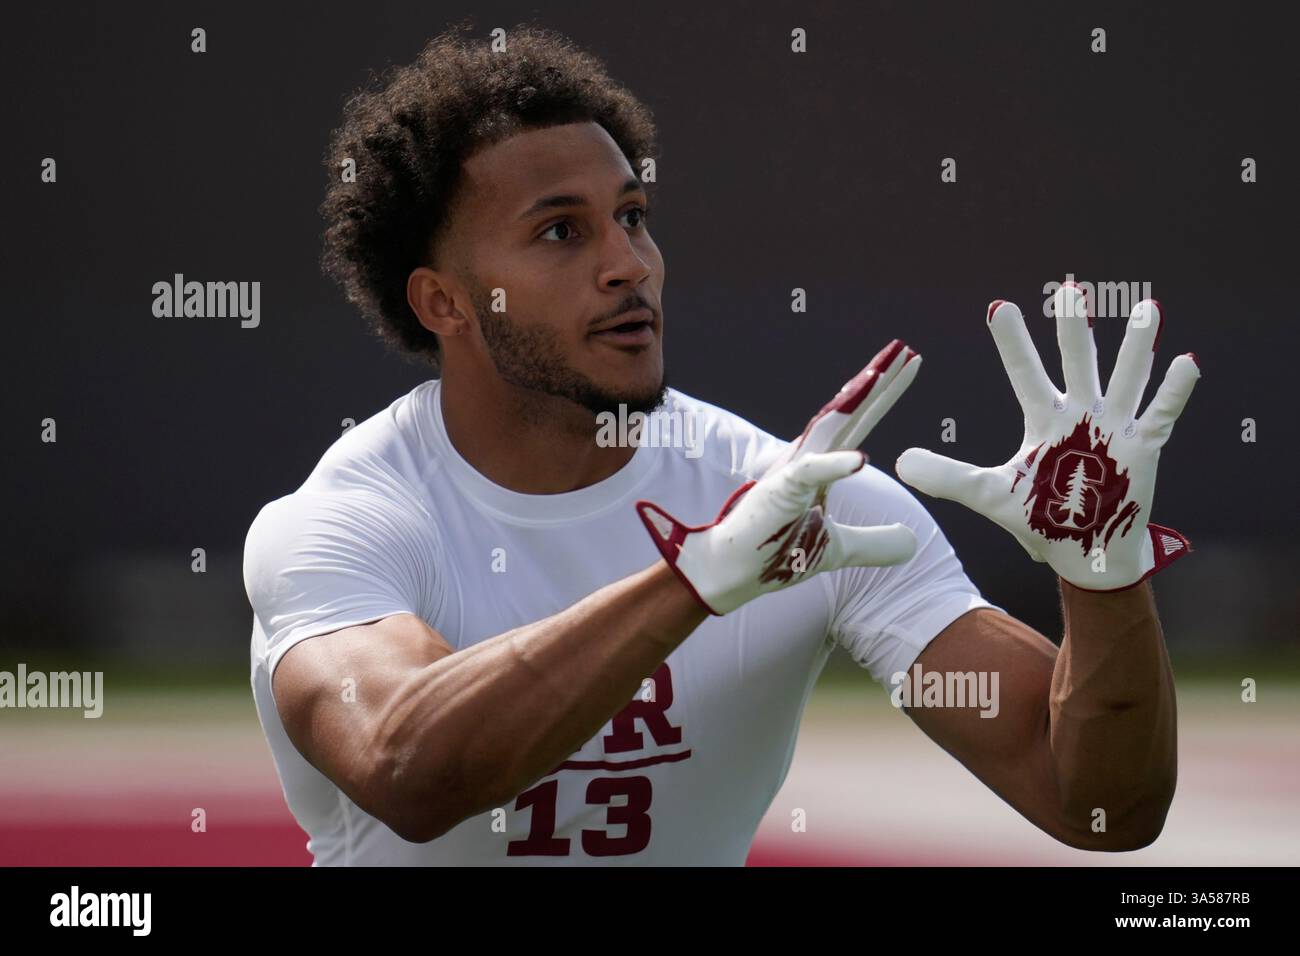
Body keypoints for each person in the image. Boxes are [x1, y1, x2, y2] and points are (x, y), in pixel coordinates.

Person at [243, 22, 1199, 865]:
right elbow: (406, 770)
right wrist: (690, 581)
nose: (628, 265)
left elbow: (1102, 811)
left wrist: (1104, 581)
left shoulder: (801, 498)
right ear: (443, 300)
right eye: (560, 232)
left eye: (632, 218)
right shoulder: (344, 522)